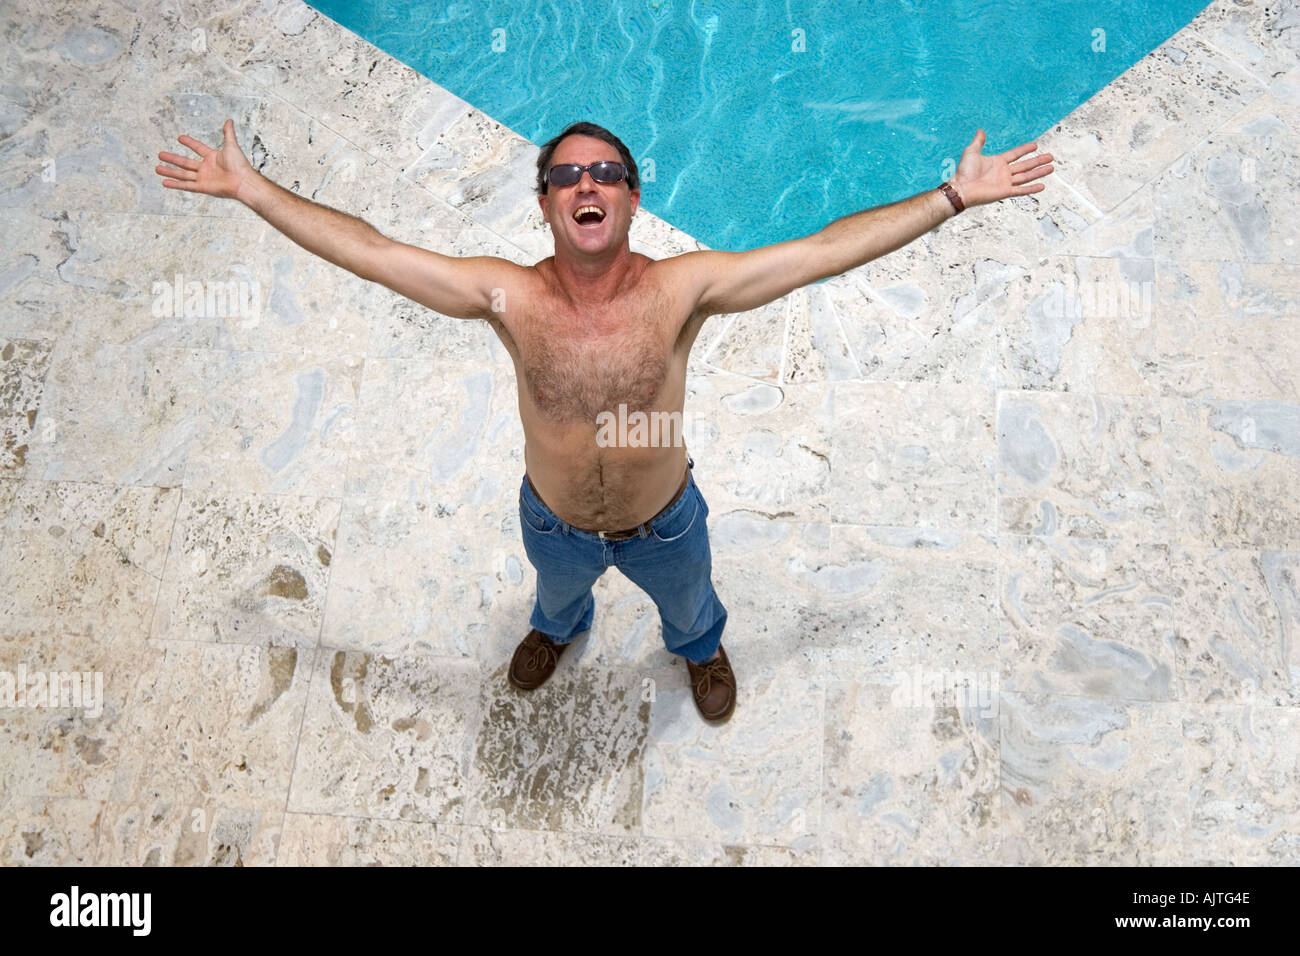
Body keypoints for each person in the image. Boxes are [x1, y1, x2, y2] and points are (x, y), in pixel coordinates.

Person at [155, 118, 1054, 723]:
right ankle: (558, 629)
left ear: (631, 198)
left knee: (692, 607)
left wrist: (952, 199)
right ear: (545, 204)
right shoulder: (507, 295)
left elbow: (819, 252)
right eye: (567, 176)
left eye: (608, 174)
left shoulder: (682, 290)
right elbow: (378, 254)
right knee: (553, 597)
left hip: (666, 520)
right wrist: (254, 192)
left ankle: (699, 650)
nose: (588, 184)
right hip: (552, 521)